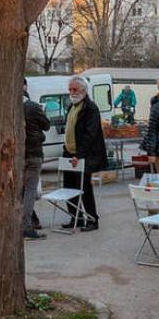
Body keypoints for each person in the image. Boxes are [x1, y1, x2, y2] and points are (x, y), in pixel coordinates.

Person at [62, 74, 108, 230]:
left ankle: (92, 219)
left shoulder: (90, 108)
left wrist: (79, 155)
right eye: (70, 89)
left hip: (83, 155)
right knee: (69, 187)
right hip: (69, 153)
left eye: (75, 89)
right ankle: (76, 217)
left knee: (84, 189)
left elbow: (90, 134)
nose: (72, 92)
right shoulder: (72, 106)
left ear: (83, 90)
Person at [21, 84, 48, 240]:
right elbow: (46, 125)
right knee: (30, 190)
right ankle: (26, 226)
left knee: (20, 190)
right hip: (33, 154)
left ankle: (24, 222)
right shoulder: (32, 106)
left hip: (17, 155)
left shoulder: (8, 106)